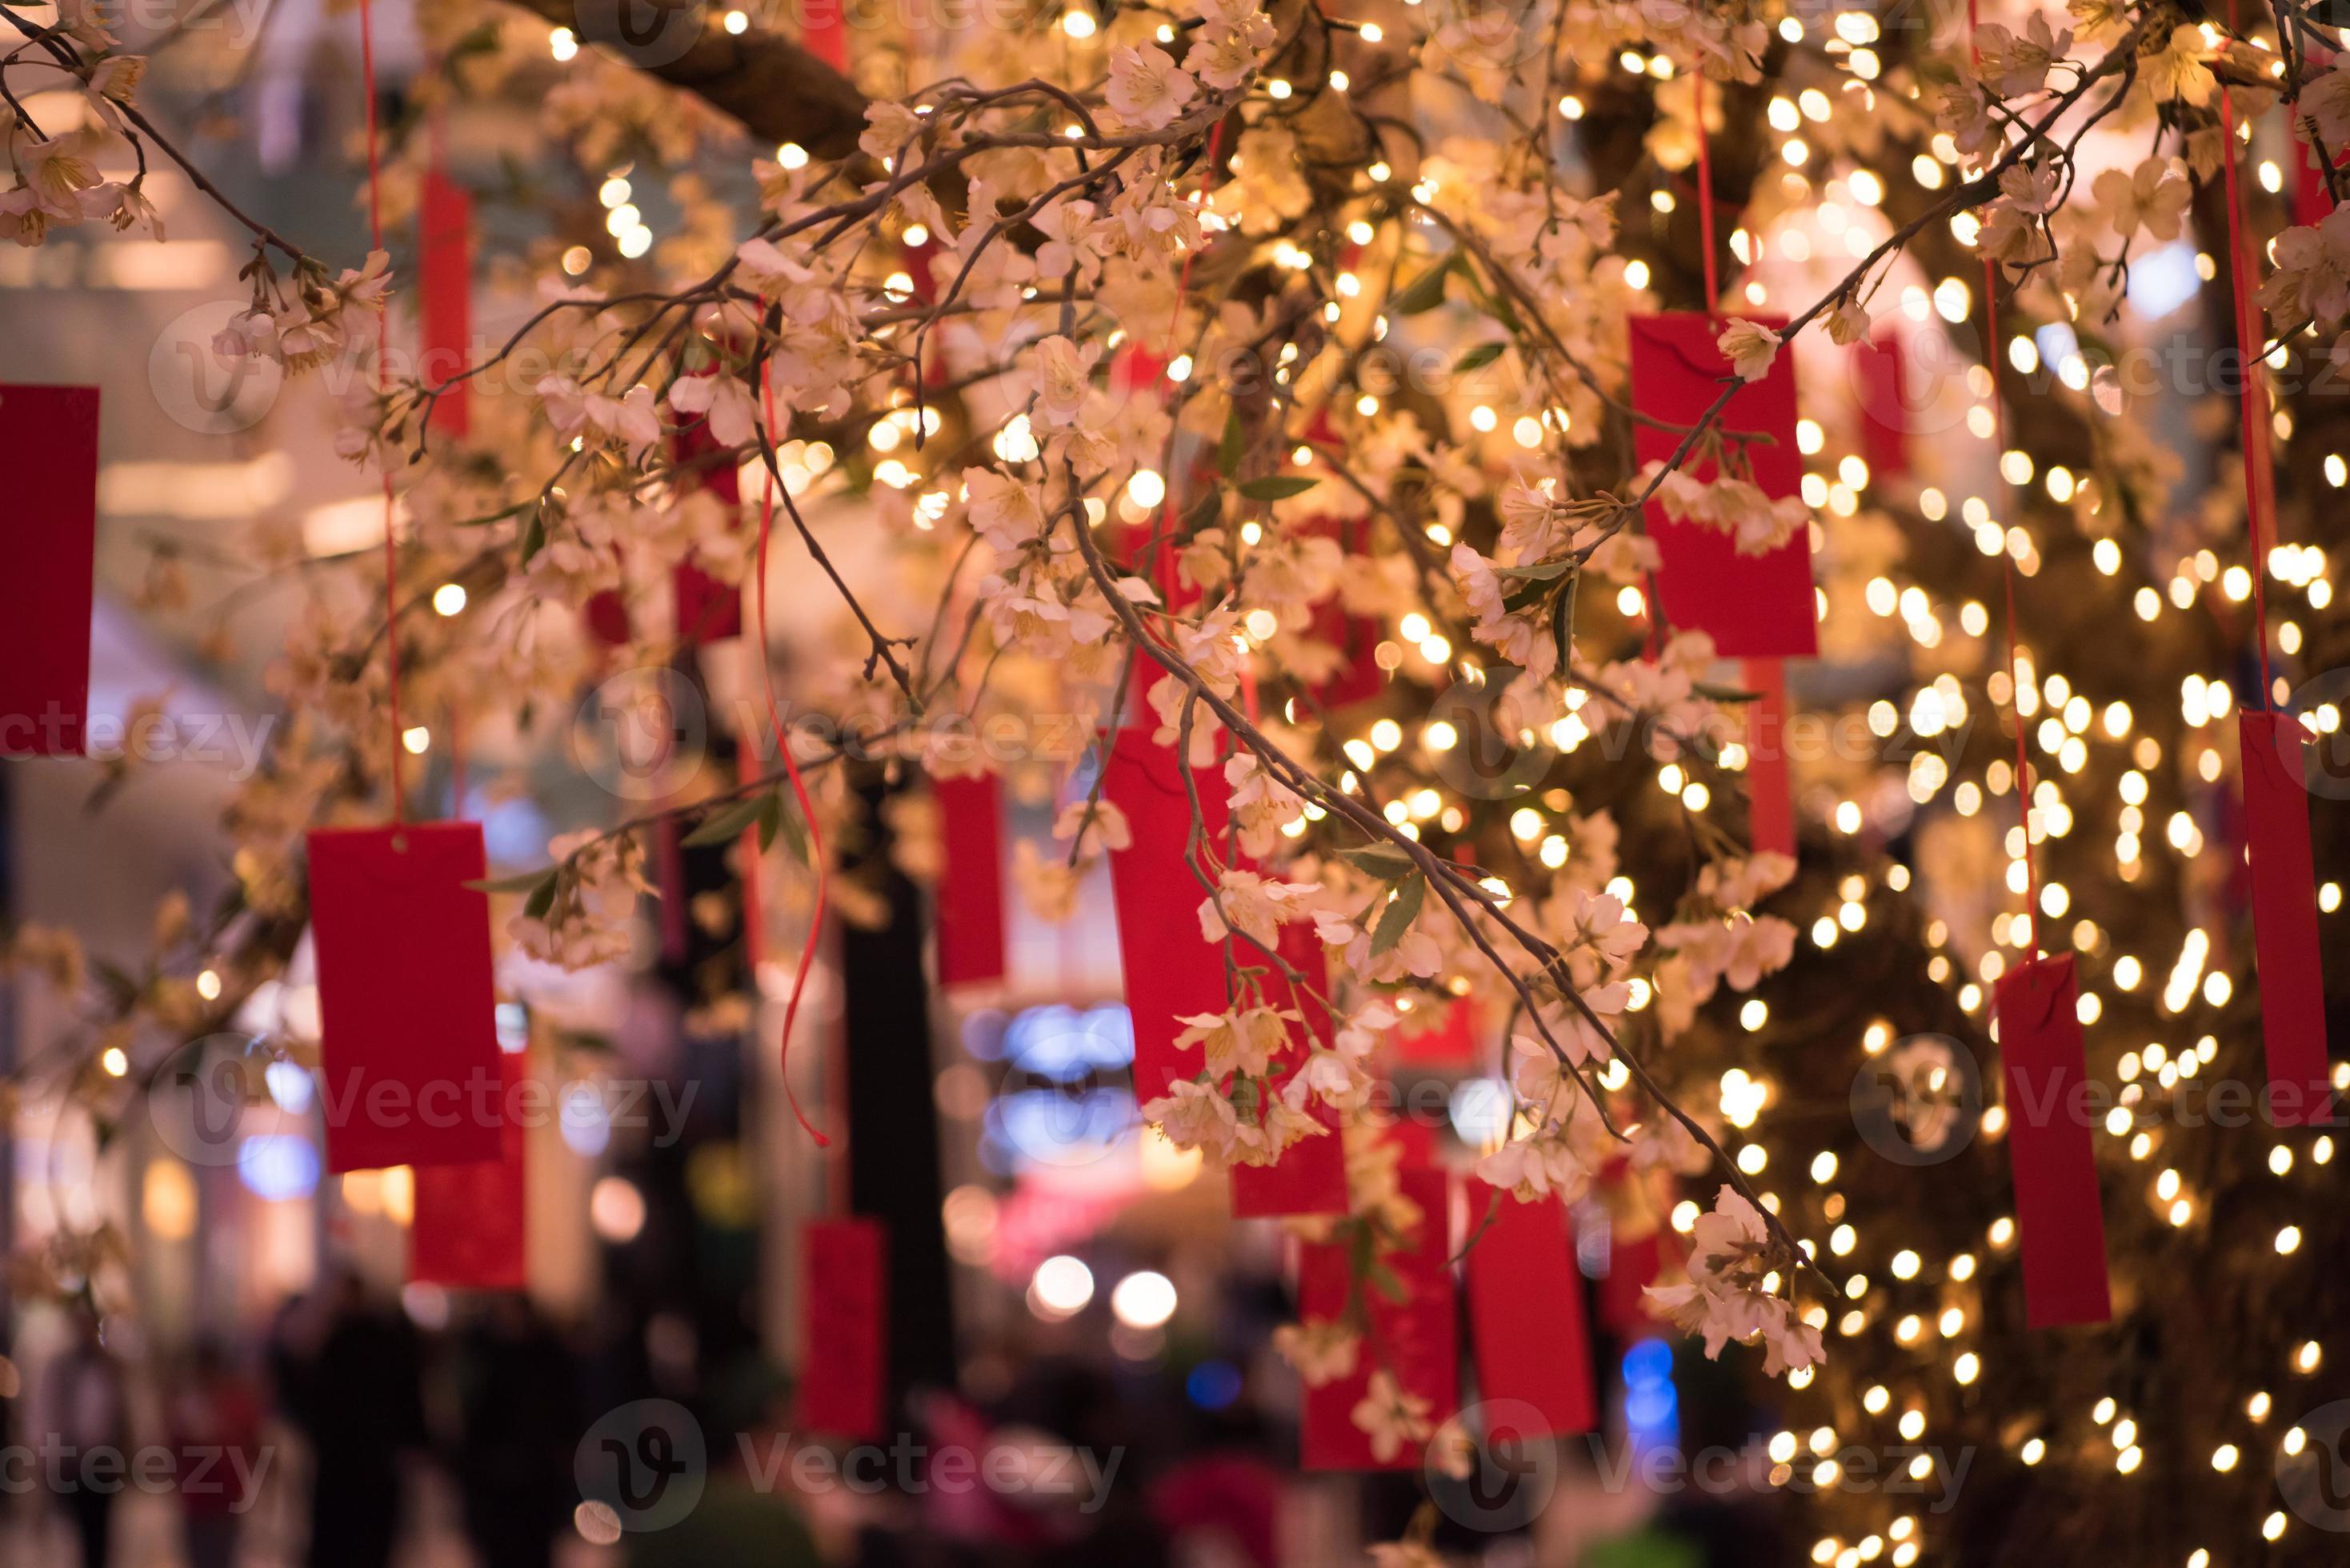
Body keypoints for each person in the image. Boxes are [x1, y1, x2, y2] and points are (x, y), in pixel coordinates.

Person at [276, 1270, 425, 1568]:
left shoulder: (361, 1342)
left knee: (351, 1544)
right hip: (351, 1463)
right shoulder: (353, 1341)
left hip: (357, 1464)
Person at [454, 1294, 580, 1568]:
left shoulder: (547, 1355)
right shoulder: (481, 1355)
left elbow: (563, 1410)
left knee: (534, 1549)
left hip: (535, 1474)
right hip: (493, 1477)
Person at [170, 1340, 266, 1568]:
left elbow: (252, 1443)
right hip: (199, 1499)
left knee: (220, 1556)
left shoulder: (234, 1402)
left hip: (223, 1498)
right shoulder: (189, 1402)